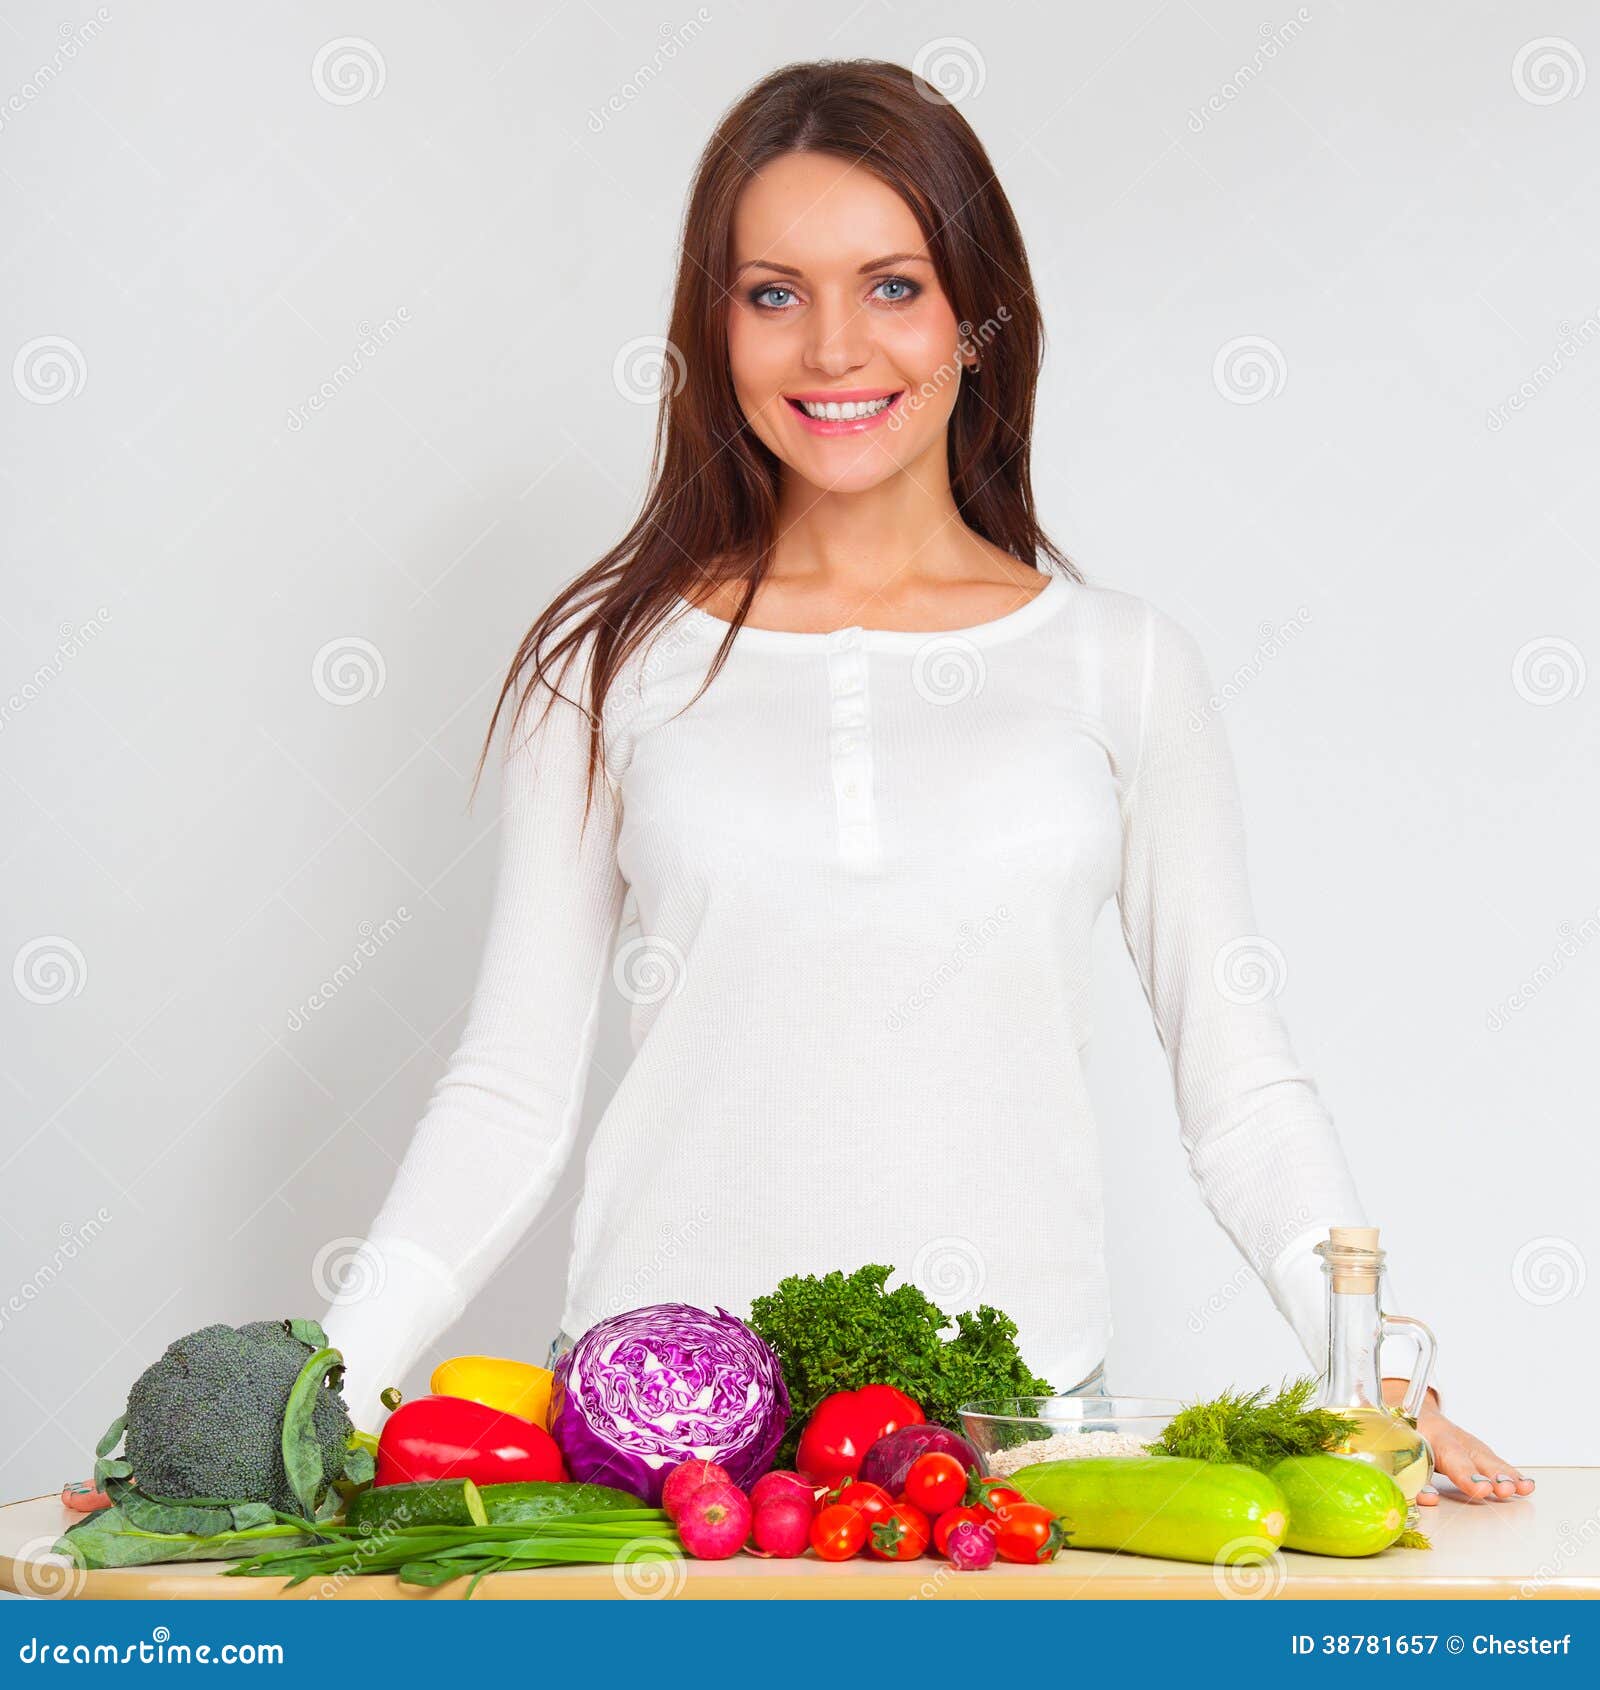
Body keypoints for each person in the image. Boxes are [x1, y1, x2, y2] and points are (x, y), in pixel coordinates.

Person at [320, 59, 1529, 1509]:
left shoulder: (1118, 662)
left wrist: (1373, 1375)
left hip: (1008, 1454)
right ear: (714, 329)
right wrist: (311, 1388)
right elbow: (509, 1089)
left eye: (891, 285)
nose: (834, 347)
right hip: (658, 1468)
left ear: (977, 315)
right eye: (773, 293)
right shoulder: (613, 661)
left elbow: (1241, 1079)